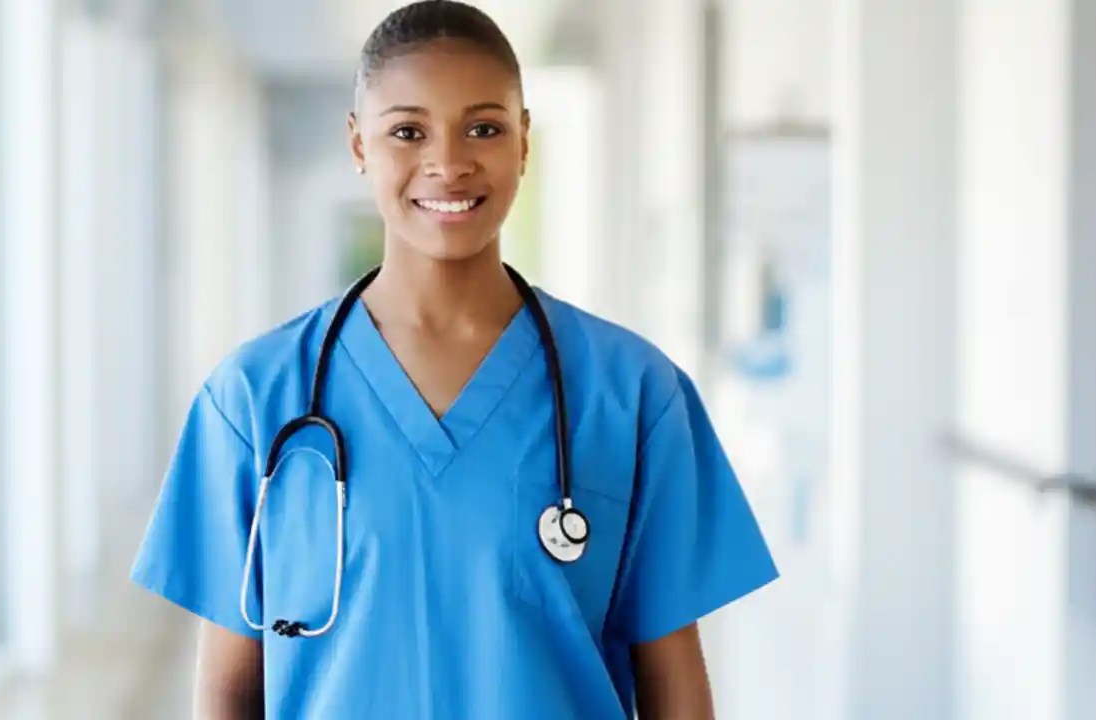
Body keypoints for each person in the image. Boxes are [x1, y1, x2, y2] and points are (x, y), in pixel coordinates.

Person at [130, 1, 778, 717]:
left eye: (484, 127)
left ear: (523, 141)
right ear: (358, 146)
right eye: (408, 131)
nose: (448, 162)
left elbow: (676, 689)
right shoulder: (255, 400)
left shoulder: (632, 395)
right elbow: (225, 694)